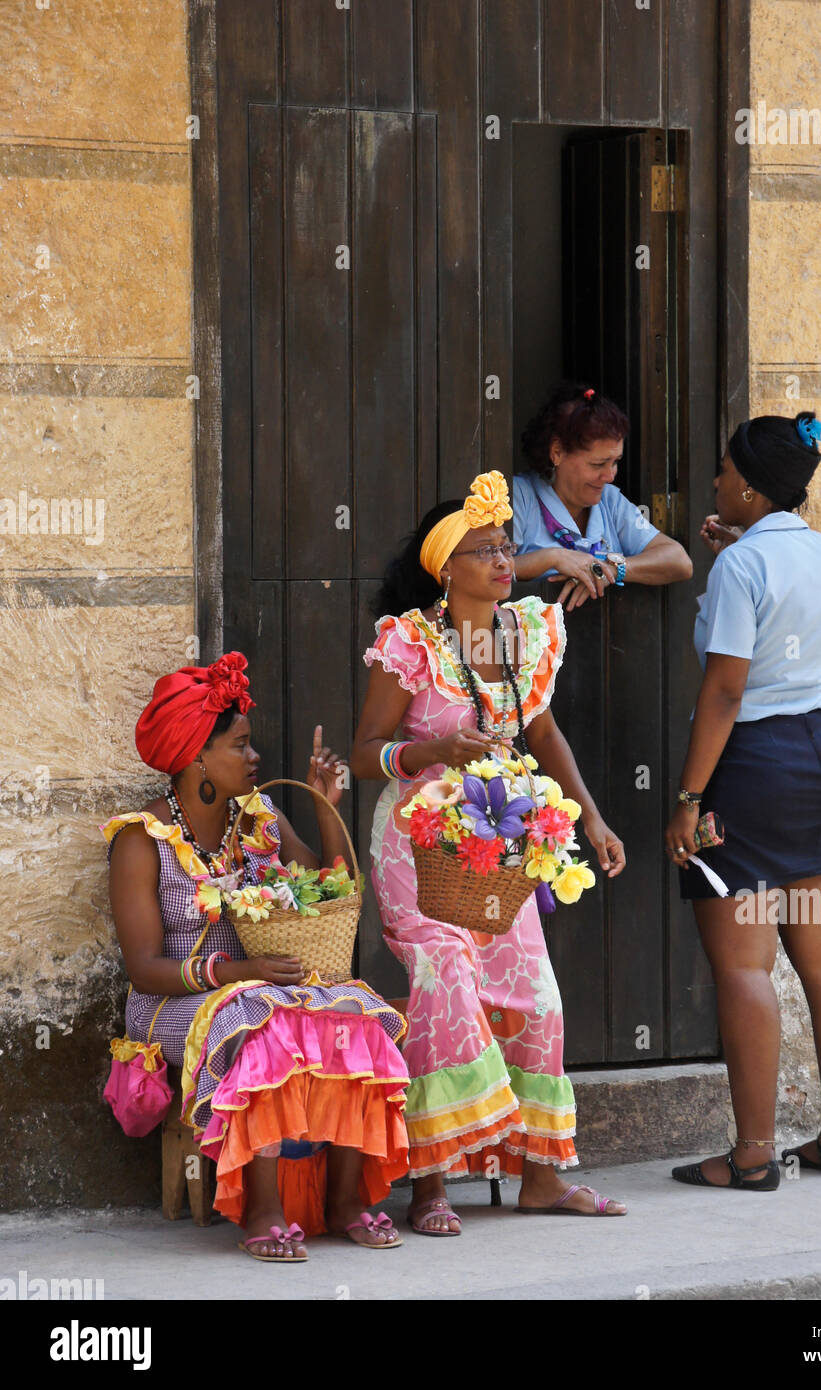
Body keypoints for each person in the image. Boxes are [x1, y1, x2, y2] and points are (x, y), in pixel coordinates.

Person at [350, 470, 628, 1233]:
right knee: (444, 981)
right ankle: (430, 1182)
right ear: (446, 569)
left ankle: (541, 1177)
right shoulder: (410, 643)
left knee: (536, 997)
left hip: (499, 846)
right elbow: (365, 751)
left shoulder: (528, 633)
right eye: (484, 551)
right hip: (419, 843)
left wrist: (592, 821)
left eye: (506, 547)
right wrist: (432, 747)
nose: (505, 561)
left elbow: (541, 734)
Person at [103, 652, 410, 1258]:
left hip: (266, 987)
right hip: (174, 1001)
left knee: (356, 1013)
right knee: (265, 1021)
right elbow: (143, 968)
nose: (255, 758)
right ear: (196, 756)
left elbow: (329, 890)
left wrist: (325, 806)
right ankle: (261, 1206)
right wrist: (240, 973)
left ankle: (347, 1197)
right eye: (240, 745)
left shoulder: (259, 817)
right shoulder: (142, 841)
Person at [663, 412, 821, 1191]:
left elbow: (725, 690)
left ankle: (752, 1156)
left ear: (747, 486)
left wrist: (687, 798)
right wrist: (738, 550)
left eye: (723, 472)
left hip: (747, 768)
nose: (715, 483)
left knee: (745, 965)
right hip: (816, 759)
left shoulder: (740, 570)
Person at [512, 380, 692, 609]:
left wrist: (611, 569)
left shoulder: (610, 500)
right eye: (598, 464)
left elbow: (679, 561)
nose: (610, 476)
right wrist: (553, 558)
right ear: (557, 452)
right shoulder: (519, 497)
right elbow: (486, 569)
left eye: (615, 462)